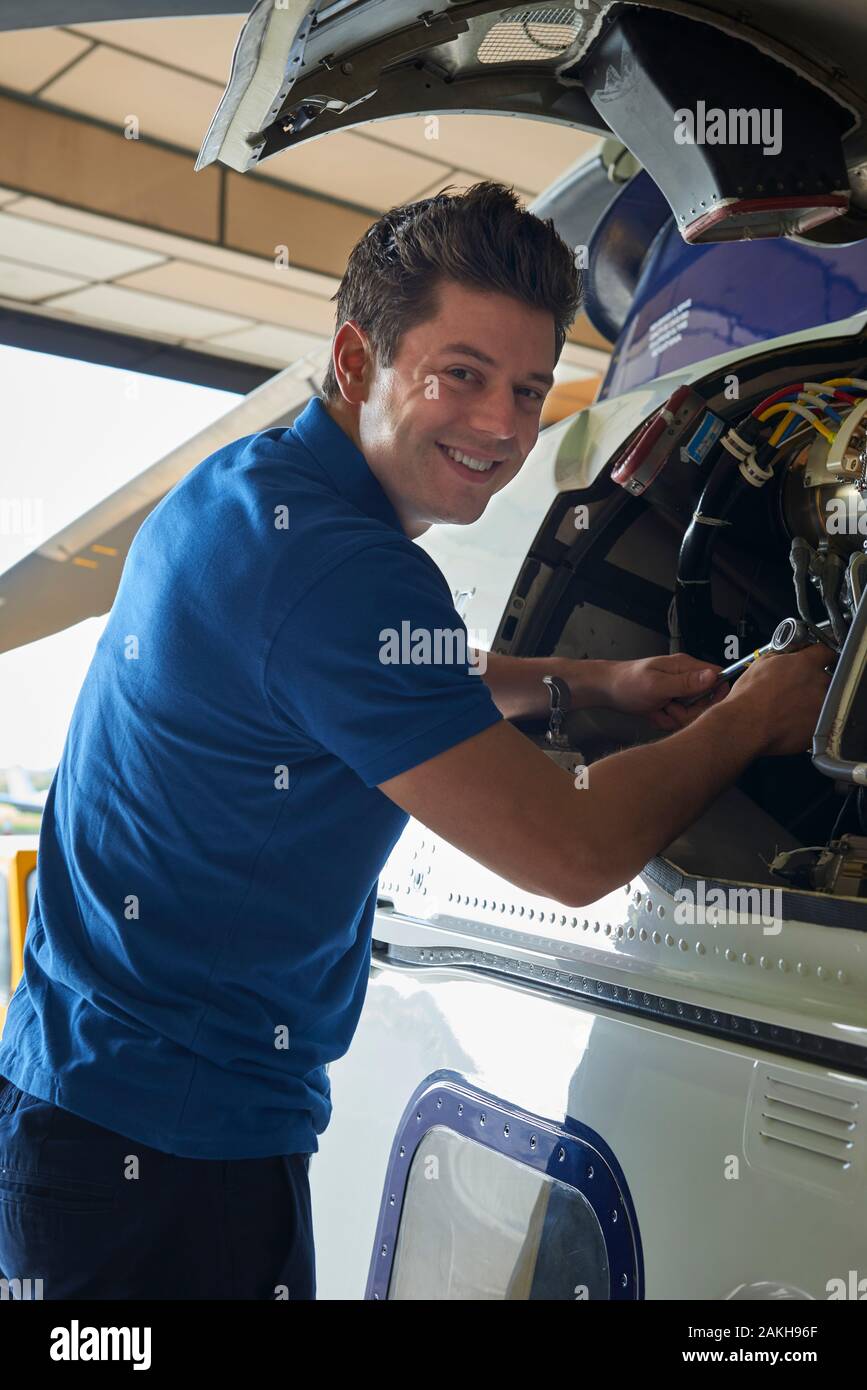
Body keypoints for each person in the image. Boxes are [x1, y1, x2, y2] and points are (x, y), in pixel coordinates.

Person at [0, 182, 830, 1300]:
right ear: (357, 361)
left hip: (91, 1110)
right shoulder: (344, 569)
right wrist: (754, 718)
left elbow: (378, 673)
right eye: (462, 375)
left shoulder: (252, 495)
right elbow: (572, 854)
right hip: (164, 1166)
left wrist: (591, 682)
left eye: (530, 389)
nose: (502, 426)